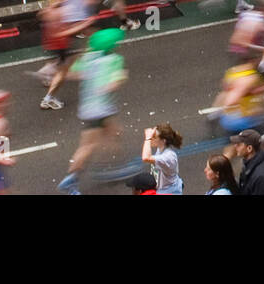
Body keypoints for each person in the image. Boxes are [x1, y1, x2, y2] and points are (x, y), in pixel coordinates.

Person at [57, 28, 127, 194]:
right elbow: (115, 82)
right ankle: (71, 180)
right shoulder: (114, 59)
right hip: (101, 109)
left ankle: (109, 166)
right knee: (88, 146)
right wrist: (121, 76)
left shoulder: (88, 58)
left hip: (89, 108)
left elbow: (73, 74)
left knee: (114, 133)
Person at [231, 128, 264, 195]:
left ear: (249, 148)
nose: (235, 146)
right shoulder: (251, 164)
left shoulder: (261, 177)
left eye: (239, 144)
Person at [140, 123, 183, 195]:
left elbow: (146, 157)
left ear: (164, 140)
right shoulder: (160, 149)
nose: (152, 139)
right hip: (161, 189)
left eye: (154, 137)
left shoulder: (169, 157)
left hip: (168, 191)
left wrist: (148, 138)